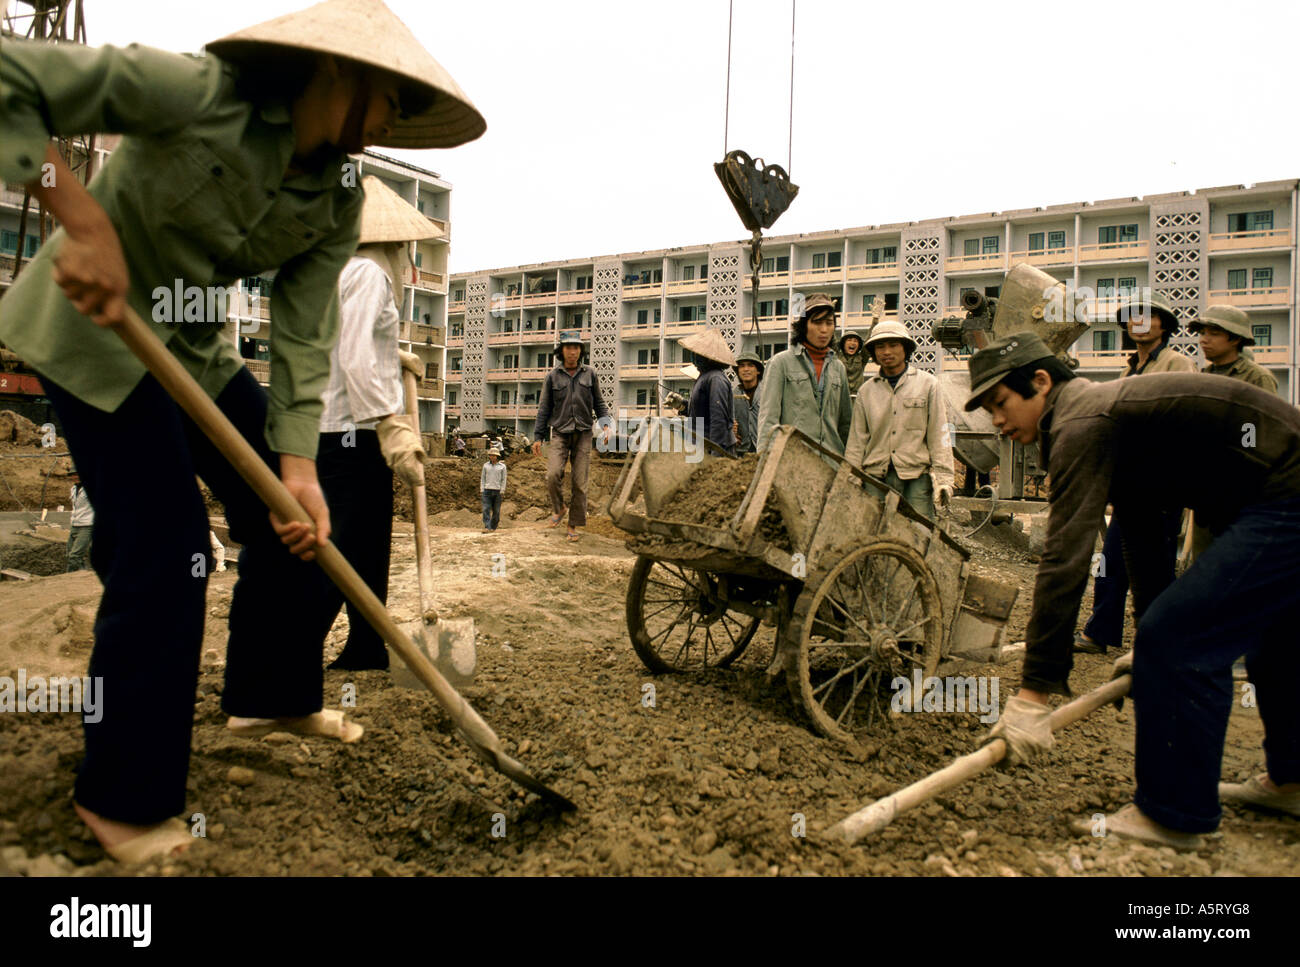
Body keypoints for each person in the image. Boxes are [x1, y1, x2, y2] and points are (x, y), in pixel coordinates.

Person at [0, 0, 484, 863]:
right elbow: (11, 78)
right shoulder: (195, 94)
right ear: (337, 76)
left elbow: (301, 338)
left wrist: (296, 467)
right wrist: (80, 218)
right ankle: (120, 798)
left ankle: (266, 692)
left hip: (190, 349)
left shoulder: (336, 195)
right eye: (385, 103)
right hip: (93, 338)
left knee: (303, 517)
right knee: (166, 545)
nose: (387, 126)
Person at [969, 332, 1300, 849]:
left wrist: (1034, 692)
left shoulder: (1080, 421)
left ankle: (1174, 815)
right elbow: (1146, 525)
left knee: (1185, 640)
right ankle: (1291, 781)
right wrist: (1148, 638)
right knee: (1271, 637)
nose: (996, 420)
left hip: (1285, 493)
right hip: (1271, 494)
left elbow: (1064, 559)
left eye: (1000, 403)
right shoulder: (1100, 416)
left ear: (1040, 381)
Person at [314, 175, 432, 671]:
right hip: (352, 432)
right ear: (395, 240)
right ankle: (290, 651)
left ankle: (366, 644)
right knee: (342, 547)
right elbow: (359, 357)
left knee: (368, 545)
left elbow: (354, 341)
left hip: (341, 428)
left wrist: (396, 353)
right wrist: (390, 424)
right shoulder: (368, 273)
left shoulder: (346, 270)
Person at [1073, 290, 1190, 654]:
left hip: (1162, 482)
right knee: (1110, 562)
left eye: (1149, 316)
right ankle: (1099, 632)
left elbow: (1181, 419)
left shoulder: (1177, 364)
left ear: (1164, 326)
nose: (1139, 323)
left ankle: (1156, 640)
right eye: (1133, 317)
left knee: (1155, 567)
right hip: (1130, 481)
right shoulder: (1128, 369)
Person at [843, 321, 954, 520]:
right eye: (880, 346)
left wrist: (944, 480)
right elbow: (857, 440)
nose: (887, 352)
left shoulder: (928, 385)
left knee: (918, 536)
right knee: (873, 535)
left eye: (893, 345)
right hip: (875, 479)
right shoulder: (866, 392)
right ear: (874, 352)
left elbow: (940, 434)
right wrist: (852, 476)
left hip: (916, 479)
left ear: (905, 348)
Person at [533, 330, 611, 542]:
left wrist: (606, 426)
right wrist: (538, 437)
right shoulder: (552, 377)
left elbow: (600, 404)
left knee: (579, 482)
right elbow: (544, 408)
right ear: (561, 351)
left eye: (576, 347)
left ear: (580, 351)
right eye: (569, 347)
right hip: (559, 433)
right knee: (552, 474)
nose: (572, 352)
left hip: (584, 433)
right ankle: (559, 508)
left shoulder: (590, 374)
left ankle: (573, 525)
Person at [756, 293, 852, 454]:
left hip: (831, 462)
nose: (824, 330)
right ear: (804, 325)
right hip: (792, 461)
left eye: (829, 323)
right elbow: (768, 420)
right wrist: (765, 461)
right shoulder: (781, 363)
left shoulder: (838, 368)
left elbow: (845, 424)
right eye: (817, 322)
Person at [1190, 304, 1278, 393]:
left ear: (1236, 339)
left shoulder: (1256, 377)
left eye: (1214, 333)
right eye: (1202, 333)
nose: (1203, 340)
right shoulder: (1205, 374)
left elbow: (1269, 406)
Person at [680, 328, 736, 455]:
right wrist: (682, 404)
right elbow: (700, 411)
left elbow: (718, 419)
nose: (695, 356)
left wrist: (715, 454)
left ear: (708, 357)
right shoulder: (704, 376)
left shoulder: (715, 378)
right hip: (700, 445)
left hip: (712, 447)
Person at [732, 351, 764, 454]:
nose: (746, 369)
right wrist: (732, 434)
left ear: (758, 371)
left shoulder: (767, 392)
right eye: (742, 366)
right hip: (741, 452)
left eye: (750, 365)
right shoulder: (733, 395)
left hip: (764, 450)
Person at [65, 465, 94, 572]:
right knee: (69, 554)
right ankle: (81, 575)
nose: (75, 477)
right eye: (73, 475)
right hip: (75, 524)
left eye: (78, 474)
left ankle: (68, 578)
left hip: (87, 525)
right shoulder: (73, 489)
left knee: (74, 556)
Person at [480, 444, 507, 532]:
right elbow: (483, 478)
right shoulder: (485, 466)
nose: (492, 457)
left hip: (497, 491)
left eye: (494, 455)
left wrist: (502, 490)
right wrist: (482, 489)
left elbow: (504, 479)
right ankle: (487, 527)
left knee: (496, 511)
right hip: (487, 490)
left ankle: (493, 526)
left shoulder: (502, 467)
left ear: (497, 456)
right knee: (486, 509)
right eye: (491, 455)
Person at [838, 330, 866, 397]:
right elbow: (832, 340)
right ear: (843, 344)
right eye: (849, 340)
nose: (852, 343)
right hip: (840, 397)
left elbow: (868, 341)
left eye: (855, 341)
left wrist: (875, 320)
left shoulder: (862, 358)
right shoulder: (837, 357)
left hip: (857, 397)